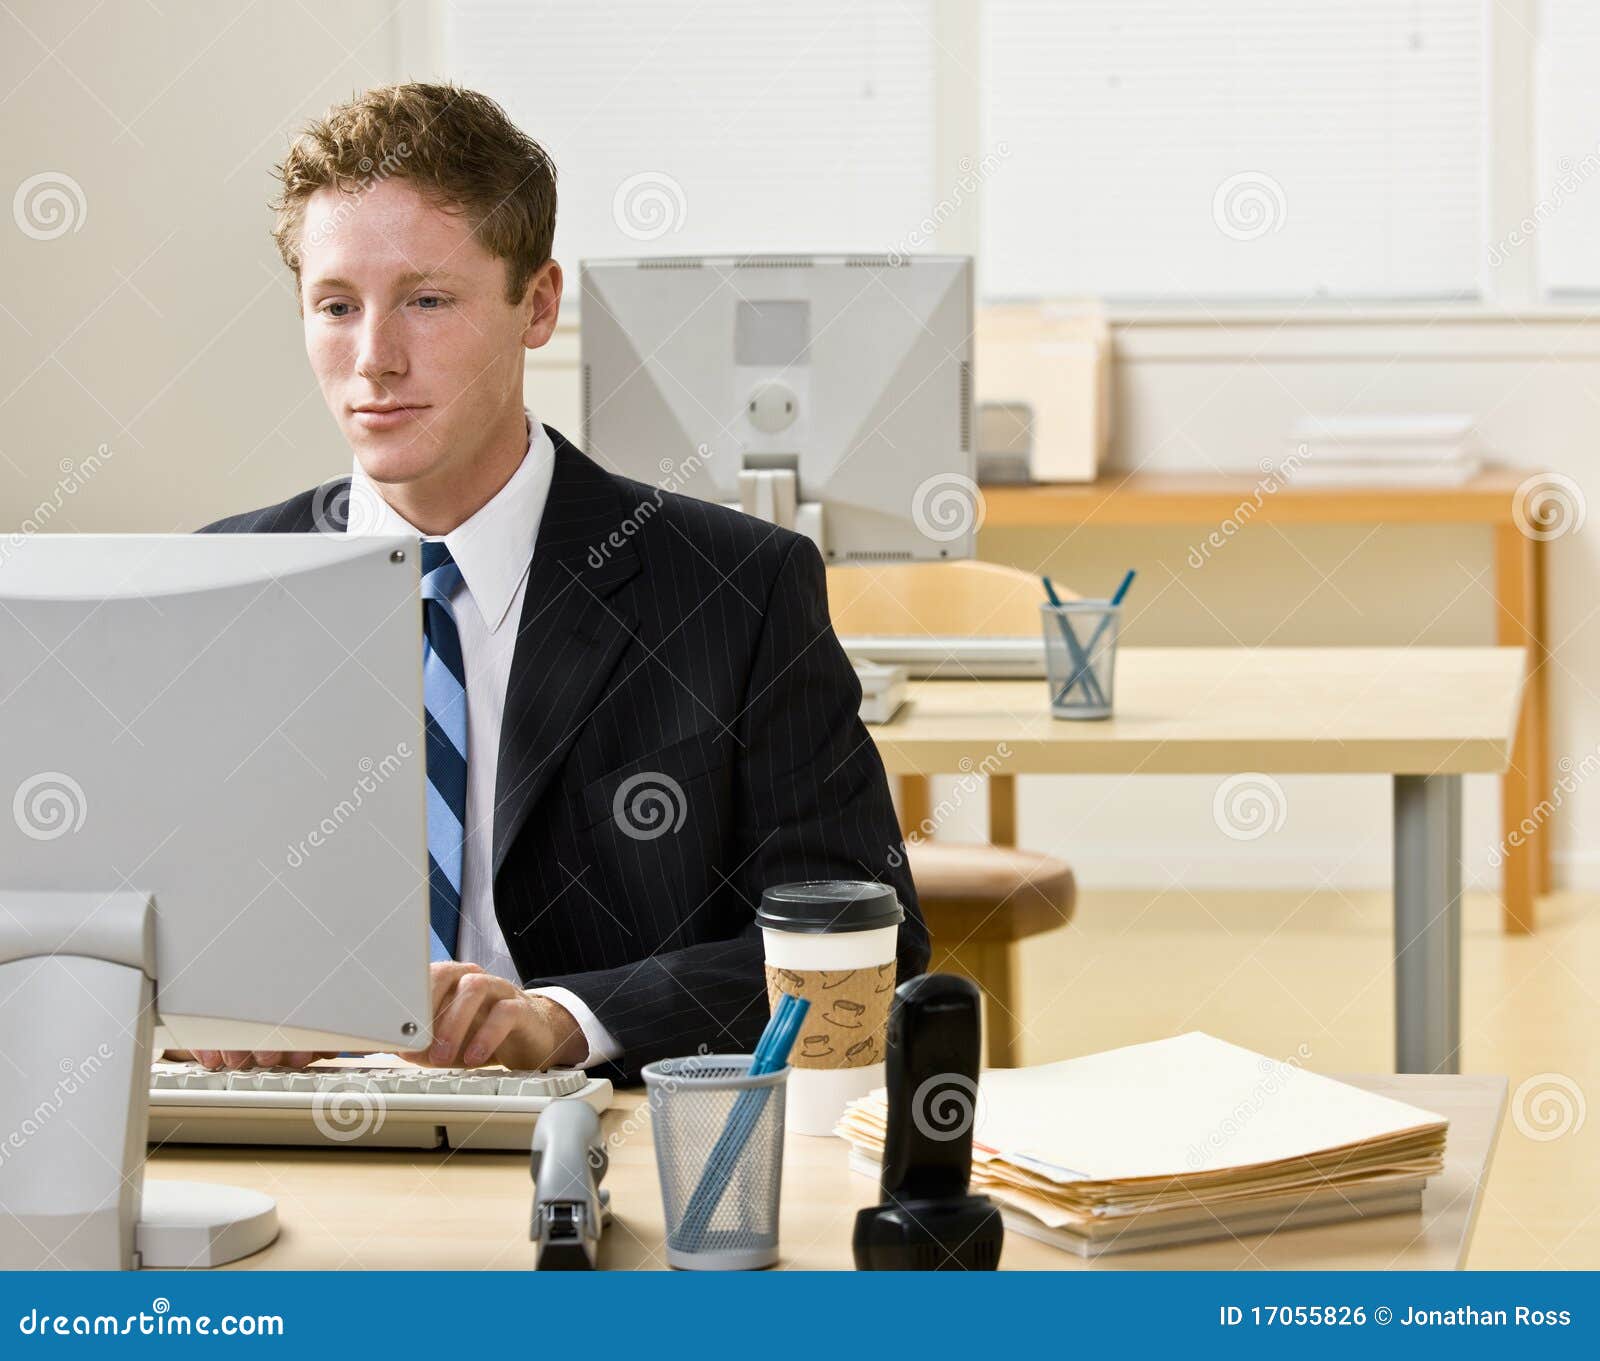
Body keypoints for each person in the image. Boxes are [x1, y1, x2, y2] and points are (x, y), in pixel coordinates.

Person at [197, 82, 926, 1083]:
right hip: (284, 1142)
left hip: (593, 1134)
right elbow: (109, 929)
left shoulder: (737, 587)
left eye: (427, 300)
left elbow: (859, 936)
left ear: (537, 304)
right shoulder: (220, 586)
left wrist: (567, 1019)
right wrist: (192, 1000)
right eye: (335, 306)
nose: (374, 358)